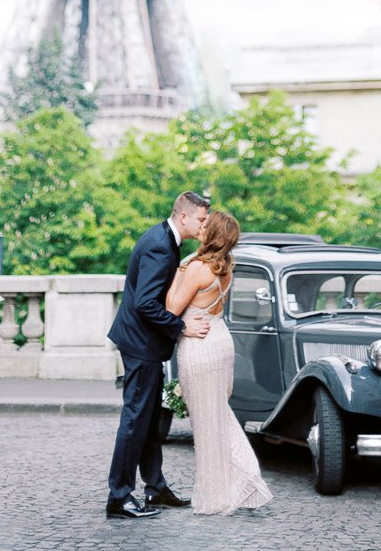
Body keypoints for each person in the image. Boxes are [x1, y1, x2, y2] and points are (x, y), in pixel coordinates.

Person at [106, 191, 211, 520]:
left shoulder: (165, 239)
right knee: (135, 420)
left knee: (149, 421)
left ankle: (155, 489)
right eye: (201, 220)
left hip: (146, 344)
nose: (204, 225)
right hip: (141, 346)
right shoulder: (159, 245)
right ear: (184, 217)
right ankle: (119, 497)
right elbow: (146, 304)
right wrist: (181, 326)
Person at [166, 210, 272, 516]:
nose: (200, 227)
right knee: (218, 414)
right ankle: (238, 480)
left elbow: (172, 308)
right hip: (221, 341)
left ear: (212, 234)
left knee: (207, 423)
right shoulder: (226, 266)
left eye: (205, 225)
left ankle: (226, 489)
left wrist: (178, 271)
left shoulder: (197, 268)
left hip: (200, 345)